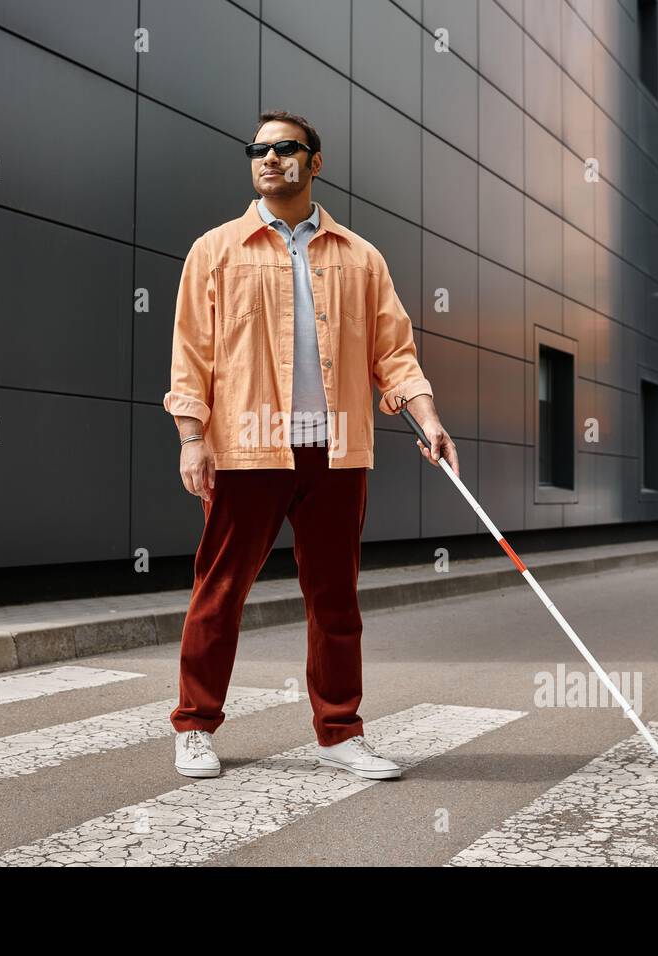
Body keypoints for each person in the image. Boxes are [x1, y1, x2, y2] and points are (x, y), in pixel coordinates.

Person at [162, 109, 458, 780]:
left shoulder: (360, 258)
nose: (269, 159)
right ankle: (194, 725)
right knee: (220, 592)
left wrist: (428, 418)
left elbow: (396, 354)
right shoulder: (216, 251)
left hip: (336, 451)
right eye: (258, 150)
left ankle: (340, 731)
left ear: (314, 162)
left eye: (285, 148)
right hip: (247, 450)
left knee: (336, 600)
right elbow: (191, 356)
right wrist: (191, 437)